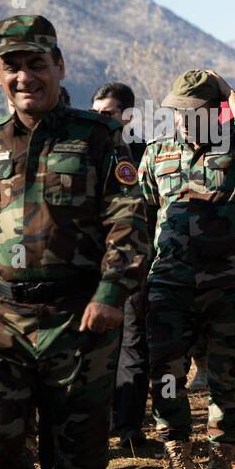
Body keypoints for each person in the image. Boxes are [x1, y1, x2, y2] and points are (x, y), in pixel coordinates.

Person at [0, 15, 149, 469]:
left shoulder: (96, 136)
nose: (25, 76)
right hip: (1, 317)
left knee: (73, 452)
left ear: (60, 67)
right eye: (12, 66)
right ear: (0, 74)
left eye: (37, 64)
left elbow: (128, 220)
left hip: (79, 319)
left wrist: (109, 292)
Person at [141, 70, 235, 469]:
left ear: (213, 112)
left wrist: (226, 89)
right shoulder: (156, 154)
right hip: (168, 284)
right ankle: (179, 463)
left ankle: (220, 465)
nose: (182, 119)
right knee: (164, 376)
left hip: (224, 286)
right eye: (177, 111)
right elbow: (139, 217)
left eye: (192, 111)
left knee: (224, 378)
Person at [92, 82, 152, 449]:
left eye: (107, 113)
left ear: (126, 116)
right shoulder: (83, 152)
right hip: (90, 266)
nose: (98, 119)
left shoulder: (146, 153)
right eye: (95, 112)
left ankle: (128, 427)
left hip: (133, 264)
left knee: (132, 343)